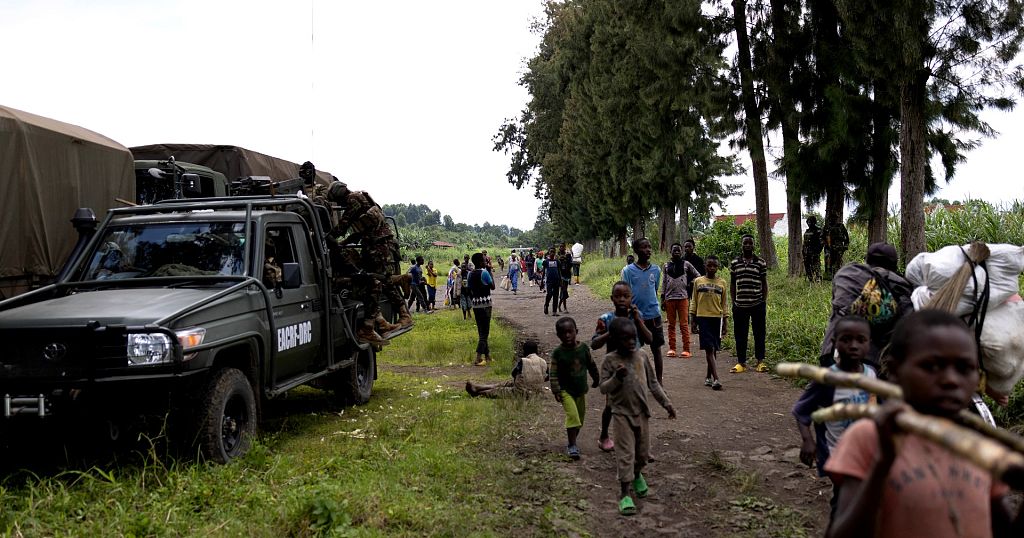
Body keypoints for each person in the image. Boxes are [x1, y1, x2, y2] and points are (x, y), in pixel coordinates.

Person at [825, 310, 1024, 538]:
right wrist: (883, 462)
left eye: (964, 368)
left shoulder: (983, 446)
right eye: (931, 366)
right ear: (896, 371)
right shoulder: (869, 437)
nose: (951, 379)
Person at [792, 316, 876, 520]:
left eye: (860, 340)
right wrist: (808, 441)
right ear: (834, 343)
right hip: (837, 453)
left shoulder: (871, 375)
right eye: (846, 340)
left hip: (865, 453)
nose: (853, 346)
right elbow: (801, 411)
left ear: (869, 344)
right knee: (844, 503)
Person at [599, 317, 676, 516]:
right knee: (625, 455)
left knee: (642, 454)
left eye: (634, 338)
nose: (631, 342)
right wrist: (617, 378)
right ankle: (625, 494)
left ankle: (637, 474)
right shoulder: (610, 361)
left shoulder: (641, 356)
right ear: (615, 340)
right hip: (621, 414)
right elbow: (603, 388)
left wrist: (666, 404)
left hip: (642, 414)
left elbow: (653, 383)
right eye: (626, 339)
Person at [324, 178, 410, 345]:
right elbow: (360, 230)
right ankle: (382, 321)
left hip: (376, 246)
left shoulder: (352, 200)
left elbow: (343, 225)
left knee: (379, 280)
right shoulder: (362, 198)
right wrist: (344, 242)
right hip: (378, 244)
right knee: (377, 279)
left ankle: (402, 314)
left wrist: (329, 237)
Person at [819, 242, 913, 368]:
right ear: (894, 263)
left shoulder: (848, 274)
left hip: (832, 353)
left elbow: (839, 306)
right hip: (872, 362)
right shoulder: (901, 285)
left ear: (867, 259)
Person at [592, 281, 653, 453]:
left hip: (635, 365)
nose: (622, 300)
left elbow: (649, 339)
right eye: (618, 296)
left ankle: (640, 443)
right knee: (611, 404)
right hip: (614, 367)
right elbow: (594, 344)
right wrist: (610, 332)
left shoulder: (637, 315)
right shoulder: (605, 319)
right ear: (612, 298)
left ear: (631, 298)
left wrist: (638, 320)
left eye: (626, 296)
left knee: (638, 403)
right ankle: (604, 435)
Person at [550, 317, 600, 460]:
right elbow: (553, 372)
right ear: (558, 335)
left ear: (576, 331)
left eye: (570, 332)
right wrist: (556, 390)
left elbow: (591, 364)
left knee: (579, 419)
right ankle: (572, 445)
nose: (567, 336)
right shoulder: (558, 353)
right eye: (563, 333)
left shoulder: (583, 348)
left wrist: (596, 378)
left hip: (580, 390)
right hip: (565, 390)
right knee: (572, 416)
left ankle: (572, 440)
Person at [621, 238, 666, 384]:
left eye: (649, 247)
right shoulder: (628, 271)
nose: (648, 250)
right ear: (636, 250)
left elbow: (654, 288)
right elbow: (625, 293)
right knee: (634, 351)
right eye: (644, 247)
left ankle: (658, 382)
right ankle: (637, 382)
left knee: (657, 349)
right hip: (635, 317)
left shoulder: (656, 270)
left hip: (654, 316)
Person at [730, 234, 769, 373]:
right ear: (742, 245)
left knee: (759, 333)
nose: (747, 245)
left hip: (757, 304)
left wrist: (763, 301)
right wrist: (733, 301)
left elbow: (764, 283)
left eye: (750, 243)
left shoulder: (760, 262)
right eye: (745, 243)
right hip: (740, 306)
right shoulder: (735, 262)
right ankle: (741, 363)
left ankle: (760, 361)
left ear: (753, 245)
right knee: (740, 334)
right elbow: (733, 283)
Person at [690, 255, 729, 390]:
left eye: (714, 266)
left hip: (717, 319)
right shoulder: (698, 281)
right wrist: (693, 319)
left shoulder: (722, 282)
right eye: (709, 265)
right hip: (703, 318)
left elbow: (724, 304)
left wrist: (725, 322)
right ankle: (716, 378)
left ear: (718, 267)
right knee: (709, 348)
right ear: (705, 266)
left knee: (714, 349)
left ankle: (708, 377)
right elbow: (694, 301)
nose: (712, 268)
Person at [466, 340, 548, 399]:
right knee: (506, 385)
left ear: (525, 351)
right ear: (537, 351)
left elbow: (514, 374)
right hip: (536, 392)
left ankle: (478, 392)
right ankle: (477, 387)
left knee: (500, 390)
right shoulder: (543, 362)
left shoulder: (524, 361)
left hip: (522, 392)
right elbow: (548, 376)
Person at [661, 242, 701, 359]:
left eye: (679, 250)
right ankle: (672, 348)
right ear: (671, 252)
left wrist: (690, 283)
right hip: (669, 298)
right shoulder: (666, 266)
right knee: (671, 325)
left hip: (683, 298)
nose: (677, 252)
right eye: (674, 250)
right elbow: (664, 282)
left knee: (684, 324)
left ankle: (686, 349)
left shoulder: (686, 264)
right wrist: (662, 297)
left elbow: (698, 275)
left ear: (681, 252)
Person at [468, 253, 495, 366]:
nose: (486, 262)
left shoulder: (470, 274)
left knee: (481, 331)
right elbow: (493, 286)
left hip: (476, 305)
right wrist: (490, 271)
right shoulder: (484, 273)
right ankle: (478, 358)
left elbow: (469, 289)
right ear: (480, 262)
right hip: (485, 305)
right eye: (484, 261)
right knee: (485, 333)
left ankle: (487, 356)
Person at [802, 216, 823, 282]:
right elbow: (805, 242)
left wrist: (818, 251)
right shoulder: (807, 231)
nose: (809, 223)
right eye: (808, 222)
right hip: (807, 252)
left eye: (810, 222)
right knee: (807, 265)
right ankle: (810, 278)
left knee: (816, 265)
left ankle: (818, 278)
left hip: (815, 251)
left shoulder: (818, 230)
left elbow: (821, 242)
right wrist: (803, 251)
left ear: (814, 222)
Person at [543, 251, 562, 316]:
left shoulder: (557, 261)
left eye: (553, 252)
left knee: (556, 296)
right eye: (551, 252)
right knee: (549, 293)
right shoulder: (546, 261)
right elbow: (543, 271)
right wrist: (542, 282)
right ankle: (546, 305)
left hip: (556, 280)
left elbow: (559, 271)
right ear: (549, 254)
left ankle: (554, 311)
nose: (552, 253)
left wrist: (560, 280)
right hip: (549, 281)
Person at [558, 244, 573, 312]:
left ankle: (560, 305)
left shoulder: (568, 255)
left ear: (564, 247)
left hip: (566, 275)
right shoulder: (557, 255)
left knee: (564, 291)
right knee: (564, 291)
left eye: (562, 246)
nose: (561, 248)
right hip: (559, 275)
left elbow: (571, 264)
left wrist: (566, 260)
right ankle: (564, 307)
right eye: (560, 246)